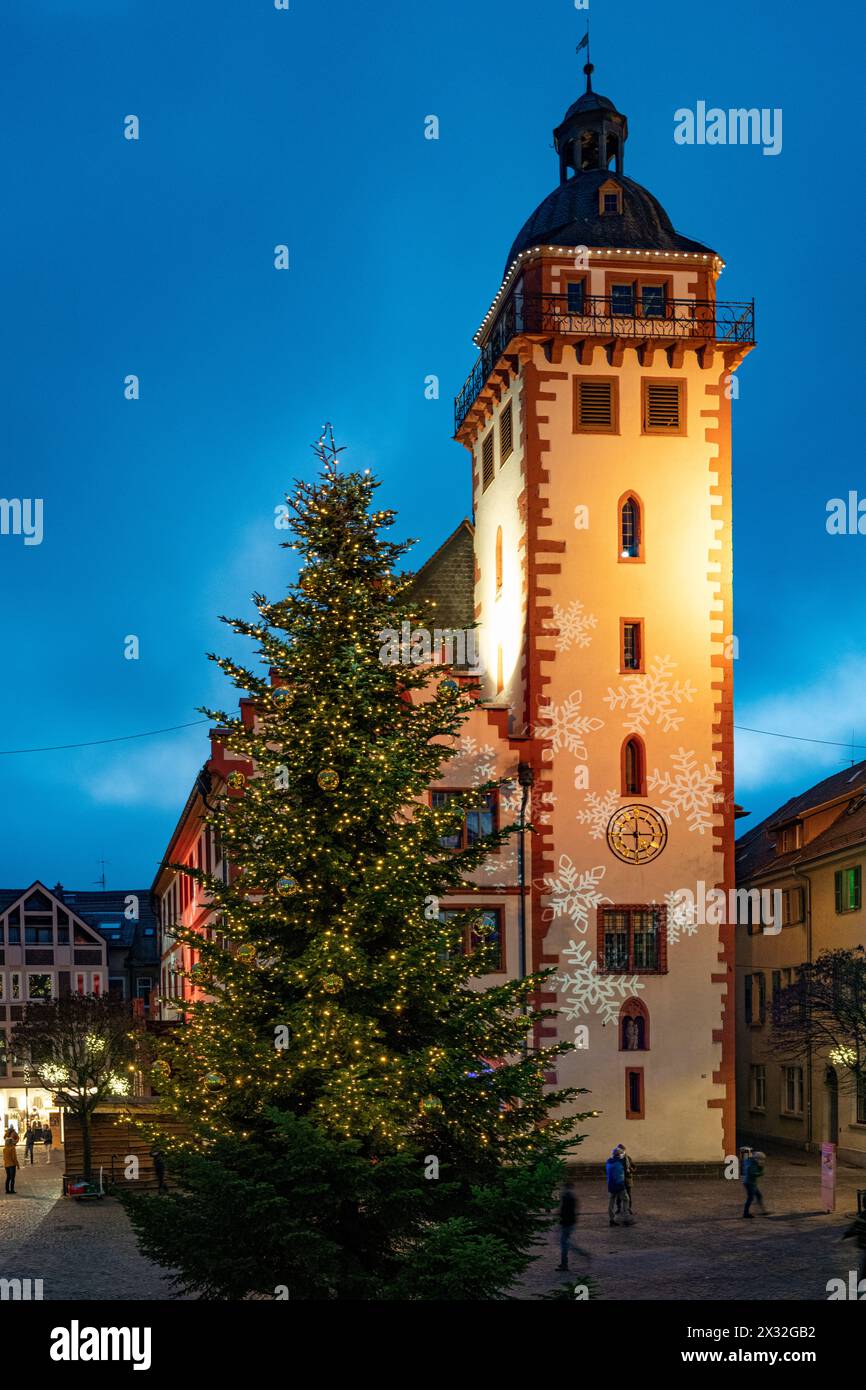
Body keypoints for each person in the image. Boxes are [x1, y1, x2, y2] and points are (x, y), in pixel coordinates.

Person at [555, 1177, 589, 1271]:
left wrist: (560, 1219)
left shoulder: (566, 1196)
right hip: (571, 1222)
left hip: (566, 1223)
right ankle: (578, 1255)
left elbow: (563, 1210)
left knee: (564, 1244)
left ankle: (565, 1263)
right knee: (566, 1242)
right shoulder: (572, 1197)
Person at [606, 1145, 633, 1226]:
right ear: (619, 1154)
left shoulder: (608, 1161)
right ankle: (626, 1219)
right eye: (621, 1153)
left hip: (610, 1185)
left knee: (611, 1202)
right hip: (619, 1184)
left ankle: (611, 1220)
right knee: (626, 1200)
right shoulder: (621, 1161)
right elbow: (627, 1171)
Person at [742, 1149, 767, 1217]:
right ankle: (745, 1213)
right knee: (750, 1198)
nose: (762, 1161)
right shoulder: (752, 1163)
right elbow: (752, 1173)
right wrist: (761, 1172)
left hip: (751, 1183)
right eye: (761, 1159)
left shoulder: (752, 1161)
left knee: (758, 1196)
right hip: (750, 1183)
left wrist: (761, 1167)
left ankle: (763, 1211)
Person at [615, 1144, 637, 1215]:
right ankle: (618, 1208)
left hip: (627, 1180)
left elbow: (634, 1167)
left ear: (623, 1150)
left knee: (628, 1195)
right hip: (619, 1180)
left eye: (620, 1150)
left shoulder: (628, 1158)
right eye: (618, 1150)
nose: (619, 1151)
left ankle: (628, 1208)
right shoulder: (616, 1158)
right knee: (618, 1195)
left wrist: (630, 1170)